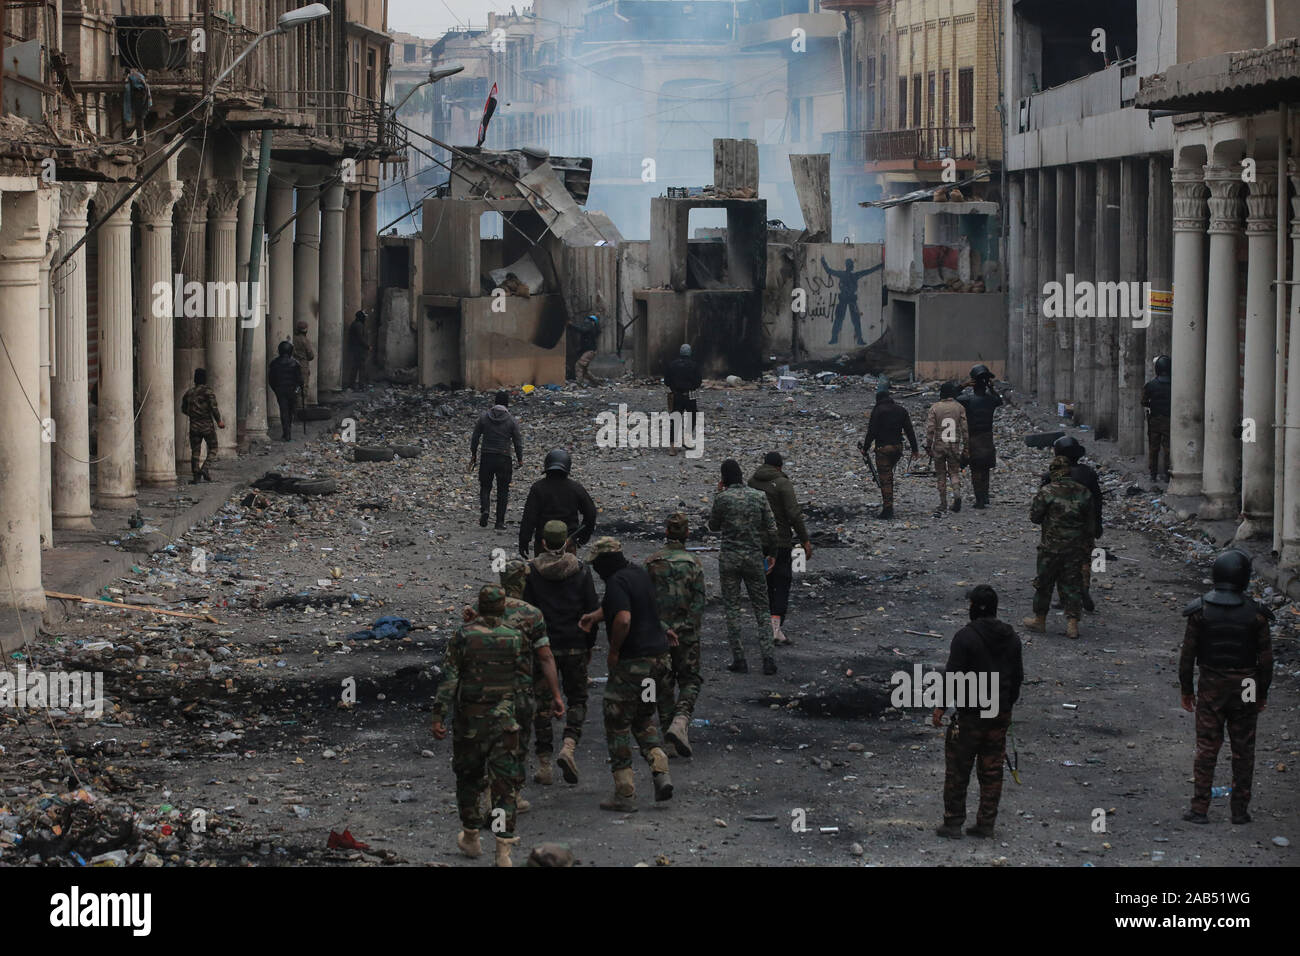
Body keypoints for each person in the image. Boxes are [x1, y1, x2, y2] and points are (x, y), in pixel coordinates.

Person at [431, 585, 527, 867]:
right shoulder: (514, 637)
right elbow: (522, 680)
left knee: (469, 779)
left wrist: (438, 715)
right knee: (503, 786)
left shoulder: (464, 636)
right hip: (504, 722)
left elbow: (450, 679)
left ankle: (472, 835)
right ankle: (503, 849)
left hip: (470, 722)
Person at [579, 537, 674, 811]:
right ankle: (660, 769)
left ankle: (625, 792)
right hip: (658, 662)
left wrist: (614, 651)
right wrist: (595, 616)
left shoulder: (616, 582)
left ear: (604, 563)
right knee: (643, 717)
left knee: (617, 721)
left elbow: (623, 618)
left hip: (634, 664)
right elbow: (631, 608)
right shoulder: (638, 574)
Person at [1179, 549, 1273, 825]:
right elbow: (1266, 661)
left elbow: (1188, 656)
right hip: (1247, 684)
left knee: (1207, 747)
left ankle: (1199, 808)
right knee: (1243, 748)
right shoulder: (1257, 615)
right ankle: (1240, 811)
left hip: (1211, 681)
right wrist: (1262, 693)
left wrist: (1187, 689)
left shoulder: (1200, 611)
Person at [933, 586, 1023, 839]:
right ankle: (985, 824)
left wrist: (941, 706)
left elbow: (953, 677)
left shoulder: (965, 637)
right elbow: (1017, 677)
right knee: (992, 770)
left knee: (958, 770)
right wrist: (1007, 705)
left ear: (974, 607)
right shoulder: (1012, 638)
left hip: (971, 715)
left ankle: (953, 823)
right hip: (999, 714)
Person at [524, 520, 600, 786]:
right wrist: (589, 645)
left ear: (543, 542)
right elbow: (592, 610)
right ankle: (568, 745)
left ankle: (544, 763)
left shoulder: (532, 571)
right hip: (575, 642)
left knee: (542, 704)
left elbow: (526, 610)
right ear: (567, 542)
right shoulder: (580, 569)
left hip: (543, 646)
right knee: (578, 698)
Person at [710, 458, 779, 675]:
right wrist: (772, 554)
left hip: (730, 558)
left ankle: (739, 658)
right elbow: (772, 529)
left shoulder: (723, 498)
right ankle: (768, 659)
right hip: (752, 557)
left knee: (732, 608)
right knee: (761, 608)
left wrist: (717, 494)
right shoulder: (758, 496)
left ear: (724, 478)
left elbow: (713, 526)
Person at [646, 513, 706, 757]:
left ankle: (668, 736)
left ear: (666, 532)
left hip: (660, 634)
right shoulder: (693, 563)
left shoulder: (651, 563)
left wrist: (662, 626)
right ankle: (681, 720)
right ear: (687, 534)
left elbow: (645, 600)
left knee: (663, 682)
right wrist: (686, 626)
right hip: (686, 633)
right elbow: (699, 601)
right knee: (690, 680)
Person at [1023, 454, 1094, 639]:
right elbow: (1091, 526)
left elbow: (1035, 517)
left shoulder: (1047, 492)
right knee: (1072, 584)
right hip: (1075, 548)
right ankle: (1072, 625)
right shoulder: (1084, 492)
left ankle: (1040, 620)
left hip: (1050, 547)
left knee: (1044, 584)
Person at [747, 452, 812, 646]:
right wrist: (805, 540)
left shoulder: (752, 482)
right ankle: (775, 628)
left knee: (765, 583)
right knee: (782, 582)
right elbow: (793, 513)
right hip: (780, 541)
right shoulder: (782, 483)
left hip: (759, 542)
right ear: (779, 467)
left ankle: (767, 626)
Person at [1040, 436, 1103, 613]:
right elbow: (1098, 501)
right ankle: (1083, 588)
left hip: (1058, 528)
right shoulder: (1089, 473)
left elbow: (1043, 503)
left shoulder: (1052, 476)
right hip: (1085, 525)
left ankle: (1065, 597)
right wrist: (1098, 524)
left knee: (1061, 562)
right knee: (1084, 560)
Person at [518, 448, 597, 558]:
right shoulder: (575, 488)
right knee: (569, 572)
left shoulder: (538, 488)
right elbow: (591, 514)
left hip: (543, 544)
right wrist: (583, 537)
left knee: (541, 572)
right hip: (568, 543)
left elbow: (529, 518)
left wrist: (524, 541)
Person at [860, 384, 918, 519]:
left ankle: (888, 509)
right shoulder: (901, 410)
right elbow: (909, 430)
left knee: (885, 478)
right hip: (897, 448)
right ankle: (888, 501)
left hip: (883, 448)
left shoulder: (878, 410)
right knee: (888, 475)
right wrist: (915, 449)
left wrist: (865, 448)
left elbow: (872, 431)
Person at [470, 390, 524, 529]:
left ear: (495, 402)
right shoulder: (511, 420)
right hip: (504, 457)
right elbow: (518, 441)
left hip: (487, 456)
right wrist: (520, 459)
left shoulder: (484, 417)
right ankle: (499, 522)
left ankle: (485, 510)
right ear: (507, 403)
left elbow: (475, 437)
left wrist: (474, 454)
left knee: (485, 486)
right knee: (503, 490)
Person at [957, 364, 1003, 509]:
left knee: (976, 469)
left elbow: (949, 396)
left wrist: (963, 385)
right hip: (987, 438)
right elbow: (999, 400)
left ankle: (979, 500)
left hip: (974, 437)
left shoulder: (967, 400)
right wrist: (991, 387)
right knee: (985, 469)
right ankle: (985, 496)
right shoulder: (991, 399)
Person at [925, 382, 970, 515]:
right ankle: (956, 495)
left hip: (939, 445)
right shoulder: (959, 407)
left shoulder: (935, 408)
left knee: (941, 474)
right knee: (954, 472)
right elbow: (965, 430)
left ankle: (943, 504)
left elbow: (930, 429)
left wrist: (928, 446)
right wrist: (966, 447)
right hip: (954, 444)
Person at [180, 368, 224, 484]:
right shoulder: (208, 392)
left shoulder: (189, 393)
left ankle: (196, 476)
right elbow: (214, 408)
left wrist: (194, 415)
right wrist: (219, 421)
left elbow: (184, 409)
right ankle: (205, 468)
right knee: (213, 448)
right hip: (207, 426)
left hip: (194, 426)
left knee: (195, 451)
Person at [664, 344, 702, 456]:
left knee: (675, 420)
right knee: (692, 418)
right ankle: (687, 439)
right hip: (690, 395)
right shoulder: (694, 366)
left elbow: (667, 381)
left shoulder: (672, 365)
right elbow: (698, 382)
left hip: (676, 395)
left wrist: (675, 388)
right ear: (690, 353)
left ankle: (672, 447)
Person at [1143, 354, 1172, 482]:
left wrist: (1152, 404)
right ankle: (1167, 475)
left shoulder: (1150, 385)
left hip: (1154, 420)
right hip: (1168, 420)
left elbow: (1143, 401)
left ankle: (1153, 475)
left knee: (1153, 448)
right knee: (1168, 449)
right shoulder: (1174, 385)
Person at [267, 341, 302, 442]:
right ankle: (288, 431)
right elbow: (300, 379)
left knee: (284, 411)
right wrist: (298, 388)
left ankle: (286, 432)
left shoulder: (274, 363)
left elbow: (271, 379)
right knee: (290, 411)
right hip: (292, 390)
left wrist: (276, 389)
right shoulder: (295, 364)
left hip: (280, 390)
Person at [570, 311, 600, 386]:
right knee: (584, 370)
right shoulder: (591, 328)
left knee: (579, 365)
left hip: (590, 351)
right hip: (590, 351)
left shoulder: (590, 327)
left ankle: (579, 383)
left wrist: (571, 325)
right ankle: (596, 382)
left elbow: (582, 330)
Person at [347, 310, 369, 389]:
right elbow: (360, 338)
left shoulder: (355, 324)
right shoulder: (359, 325)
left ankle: (352, 384)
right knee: (361, 368)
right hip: (359, 350)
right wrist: (367, 346)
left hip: (357, 350)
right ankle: (361, 385)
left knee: (355, 367)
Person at [292, 320, 315, 397]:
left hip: (293, 364)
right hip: (303, 365)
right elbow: (311, 355)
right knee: (303, 386)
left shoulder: (293, 338)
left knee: (294, 385)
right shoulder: (305, 340)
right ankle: (301, 406)